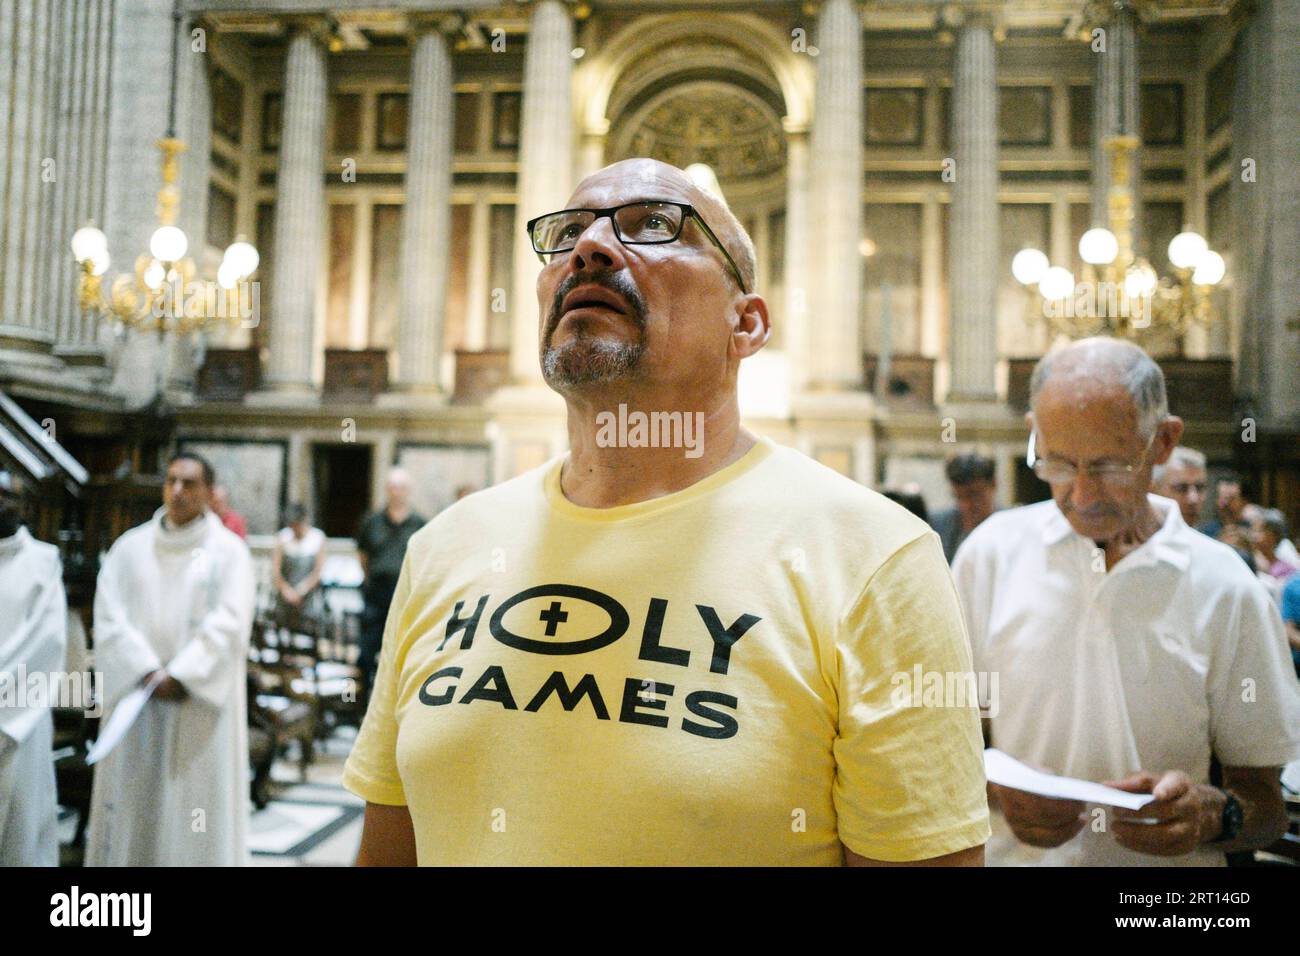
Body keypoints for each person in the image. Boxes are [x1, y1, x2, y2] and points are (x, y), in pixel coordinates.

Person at [344, 158, 990, 866]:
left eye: (652, 226)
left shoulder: (873, 559)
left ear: (744, 323)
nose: (589, 249)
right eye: (568, 233)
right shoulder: (448, 545)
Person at [953, 338, 1300, 866]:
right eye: (1059, 465)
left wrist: (1212, 815)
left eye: (1111, 466)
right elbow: (939, 745)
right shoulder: (991, 557)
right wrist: (993, 791)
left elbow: (1268, 808)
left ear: (1163, 442)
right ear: (1035, 436)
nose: (1084, 496)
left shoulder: (1223, 584)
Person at [86, 452, 255, 866]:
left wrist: (180, 676)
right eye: (172, 481)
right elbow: (109, 618)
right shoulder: (129, 549)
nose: (177, 491)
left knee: (193, 810)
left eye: (189, 483)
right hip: (138, 700)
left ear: (209, 493)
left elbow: (230, 623)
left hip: (195, 703)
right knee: (135, 810)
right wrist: (146, 670)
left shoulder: (229, 553)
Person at [0, 471, 67, 865]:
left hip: (19, 723)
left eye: (9, 496)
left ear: (23, 507)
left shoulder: (44, 561)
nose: (2, 503)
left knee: (21, 829)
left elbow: (46, 641)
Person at [355, 468, 424, 695]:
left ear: (409, 491)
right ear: (386, 490)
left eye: (401, 487)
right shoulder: (372, 521)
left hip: (406, 596)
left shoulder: (420, 523)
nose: (396, 492)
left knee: (404, 654)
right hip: (376, 595)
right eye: (392, 487)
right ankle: (363, 704)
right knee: (367, 653)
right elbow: (363, 555)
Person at [1152, 447, 1253, 568]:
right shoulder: (1135, 545)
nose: (1193, 499)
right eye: (1181, 488)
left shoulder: (1216, 548)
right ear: (1153, 490)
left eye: (1199, 488)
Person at [929, 454, 998, 563]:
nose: (966, 505)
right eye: (959, 497)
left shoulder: (1012, 527)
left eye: (974, 495)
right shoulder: (938, 526)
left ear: (993, 485)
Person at [271, 503, 327, 635]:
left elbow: (318, 571)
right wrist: (286, 591)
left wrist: (301, 591)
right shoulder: (283, 538)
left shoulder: (317, 538)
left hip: (308, 598)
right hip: (285, 596)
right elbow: (275, 569)